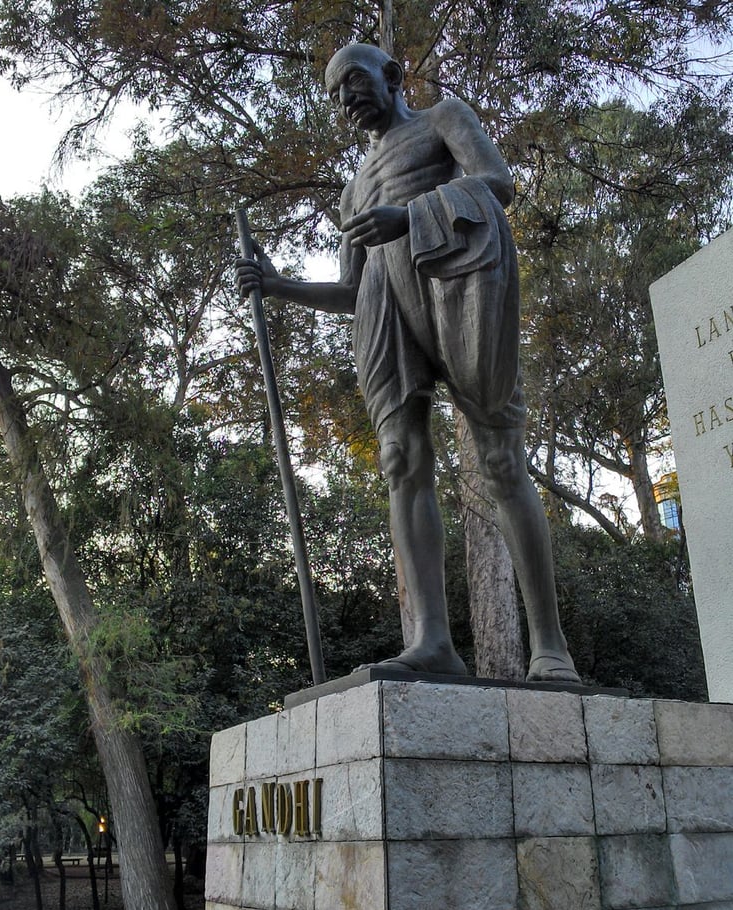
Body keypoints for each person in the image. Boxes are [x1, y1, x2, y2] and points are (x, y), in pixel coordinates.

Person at [236, 42, 580, 684]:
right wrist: (277, 285)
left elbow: (496, 184)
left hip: (458, 285)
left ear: (391, 77)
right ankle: (432, 641)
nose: (345, 98)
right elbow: (348, 289)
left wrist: (411, 216)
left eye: (354, 81)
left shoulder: (444, 119)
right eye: (335, 92)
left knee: (502, 458)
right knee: (400, 459)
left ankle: (550, 648)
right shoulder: (353, 190)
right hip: (386, 305)